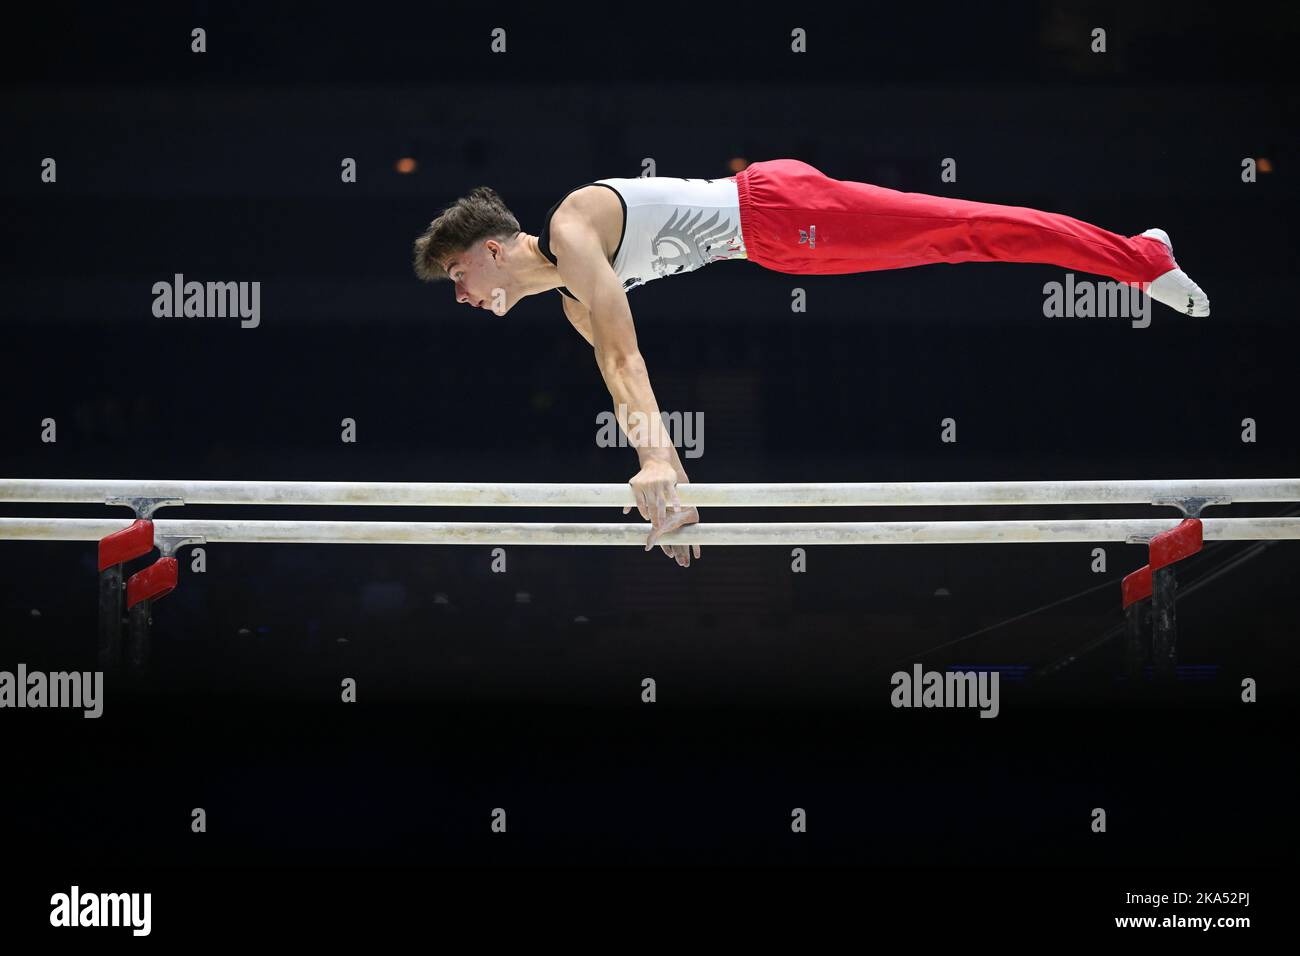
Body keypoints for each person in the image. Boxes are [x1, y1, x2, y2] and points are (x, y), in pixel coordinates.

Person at [412, 158, 1211, 567]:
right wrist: (673, 499)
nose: (461, 296)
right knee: (955, 239)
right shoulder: (573, 297)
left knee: (963, 229)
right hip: (781, 244)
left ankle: (1140, 257)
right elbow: (622, 383)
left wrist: (658, 460)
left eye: (458, 278)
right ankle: (1135, 256)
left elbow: (627, 356)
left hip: (784, 214)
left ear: (490, 248)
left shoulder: (571, 226)